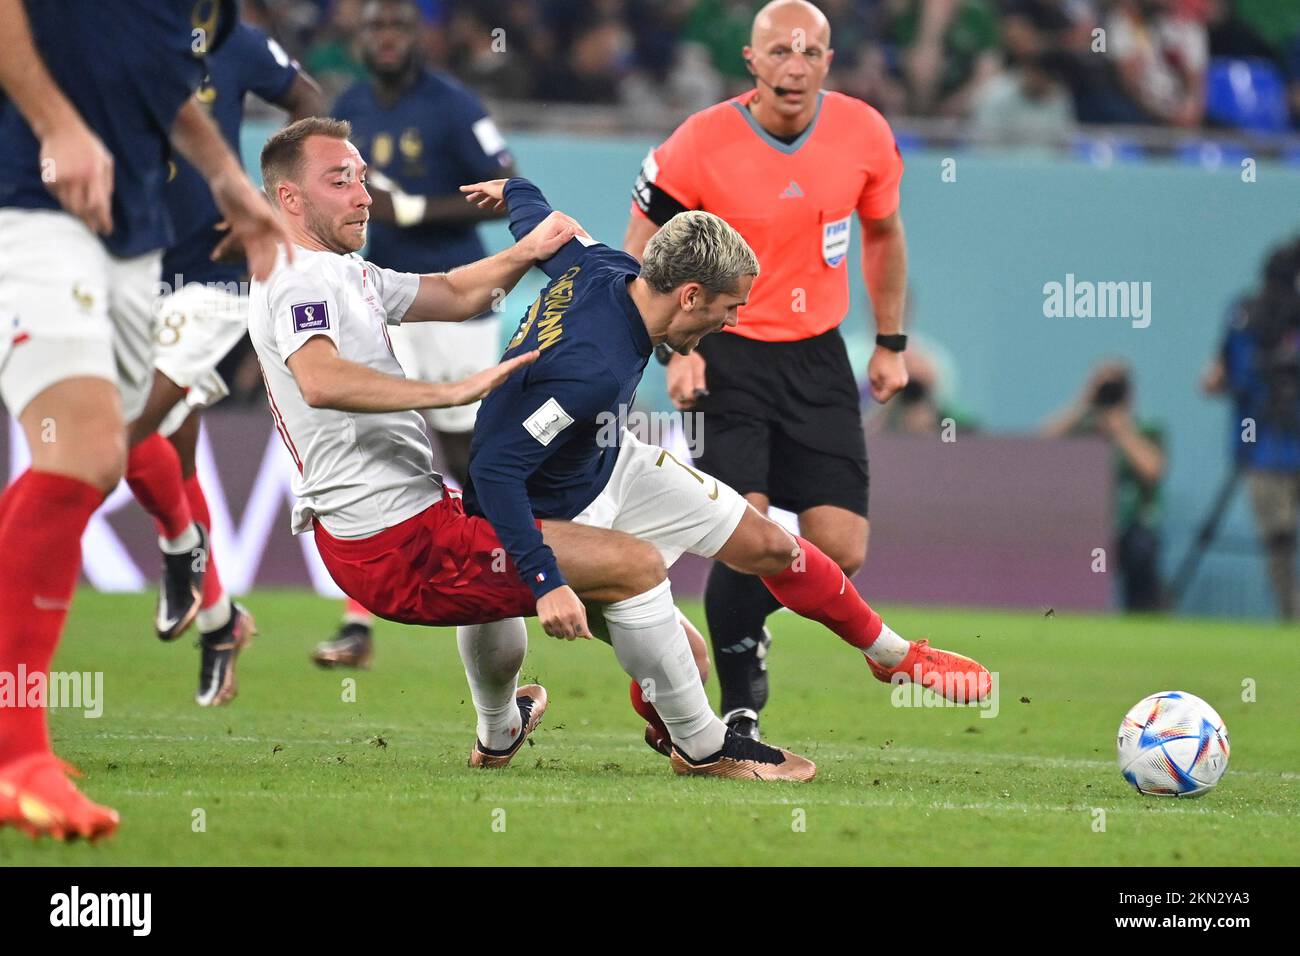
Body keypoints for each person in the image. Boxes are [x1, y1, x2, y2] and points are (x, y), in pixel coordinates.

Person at [246, 118, 817, 781]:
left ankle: (500, 729)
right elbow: (319, 381)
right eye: (339, 180)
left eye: (363, 178)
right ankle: (706, 747)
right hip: (391, 540)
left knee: (502, 556)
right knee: (632, 565)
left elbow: (460, 295)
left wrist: (527, 248)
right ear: (289, 198)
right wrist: (450, 392)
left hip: (406, 521)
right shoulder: (295, 280)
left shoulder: (343, 274)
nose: (363, 195)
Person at [461, 176, 990, 764]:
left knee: (771, 545)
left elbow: (545, 228)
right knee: (689, 659)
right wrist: (544, 579)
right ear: (689, 295)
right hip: (553, 510)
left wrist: (516, 189)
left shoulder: (604, 264)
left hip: (607, 458)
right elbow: (494, 469)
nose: (733, 322)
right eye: (730, 306)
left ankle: (894, 656)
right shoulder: (592, 369)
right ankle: (679, 745)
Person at [0, 0, 291, 841]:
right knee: (83, 449)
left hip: (133, 226)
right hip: (32, 190)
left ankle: (188, 571)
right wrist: (55, 123)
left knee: (121, 445)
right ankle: (19, 754)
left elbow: (157, 72)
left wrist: (229, 179)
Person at [623, 0, 909, 742]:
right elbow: (642, 243)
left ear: (828, 64)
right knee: (744, 530)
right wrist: (674, 350)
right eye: (779, 51)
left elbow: (883, 234)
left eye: (811, 52)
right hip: (725, 350)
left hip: (819, 356)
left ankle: (739, 627)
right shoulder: (699, 142)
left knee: (842, 549)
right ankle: (736, 703)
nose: (795, 65)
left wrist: (891, 340)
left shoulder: (864, 134)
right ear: (751, 62)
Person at [121, 17, 324, 705]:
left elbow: (306, 96)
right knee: (166, 456)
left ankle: (183, 558)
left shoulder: (237, 43)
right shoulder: (121, 32)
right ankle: (218, 618)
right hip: (131, 260)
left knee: (132, 420)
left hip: (213, 273)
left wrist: (274, 202)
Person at [319, 0, 517, 668]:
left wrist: (419, 208)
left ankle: (501, 569)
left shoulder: (453, 106)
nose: (386, 39)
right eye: (375, 27)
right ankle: (356, 623)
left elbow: (507, 183)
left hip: (449, 298)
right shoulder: (347, 109)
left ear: (417, 37)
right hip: (373, 297)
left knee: (464, 451)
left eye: (398, 28)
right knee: (373, 445)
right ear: (360, 36)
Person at [1202, 238, 1300, 618]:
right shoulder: (1246, 316)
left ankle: (1292, 615)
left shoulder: (1244, 314)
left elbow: (1220, 376)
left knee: (1278, 541)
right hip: (1265, 444)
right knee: (1279, 539)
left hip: (1260, 447)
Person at [1041, 361, 1167, 611]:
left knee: (1142, 548)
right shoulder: (1083, 430)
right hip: (1083, 526)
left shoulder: (1146, 429)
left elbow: (1153, 470)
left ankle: (1143, 614)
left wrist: (1122, 431)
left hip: (1131, 526)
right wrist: (1083, 404)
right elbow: (1040, 446)